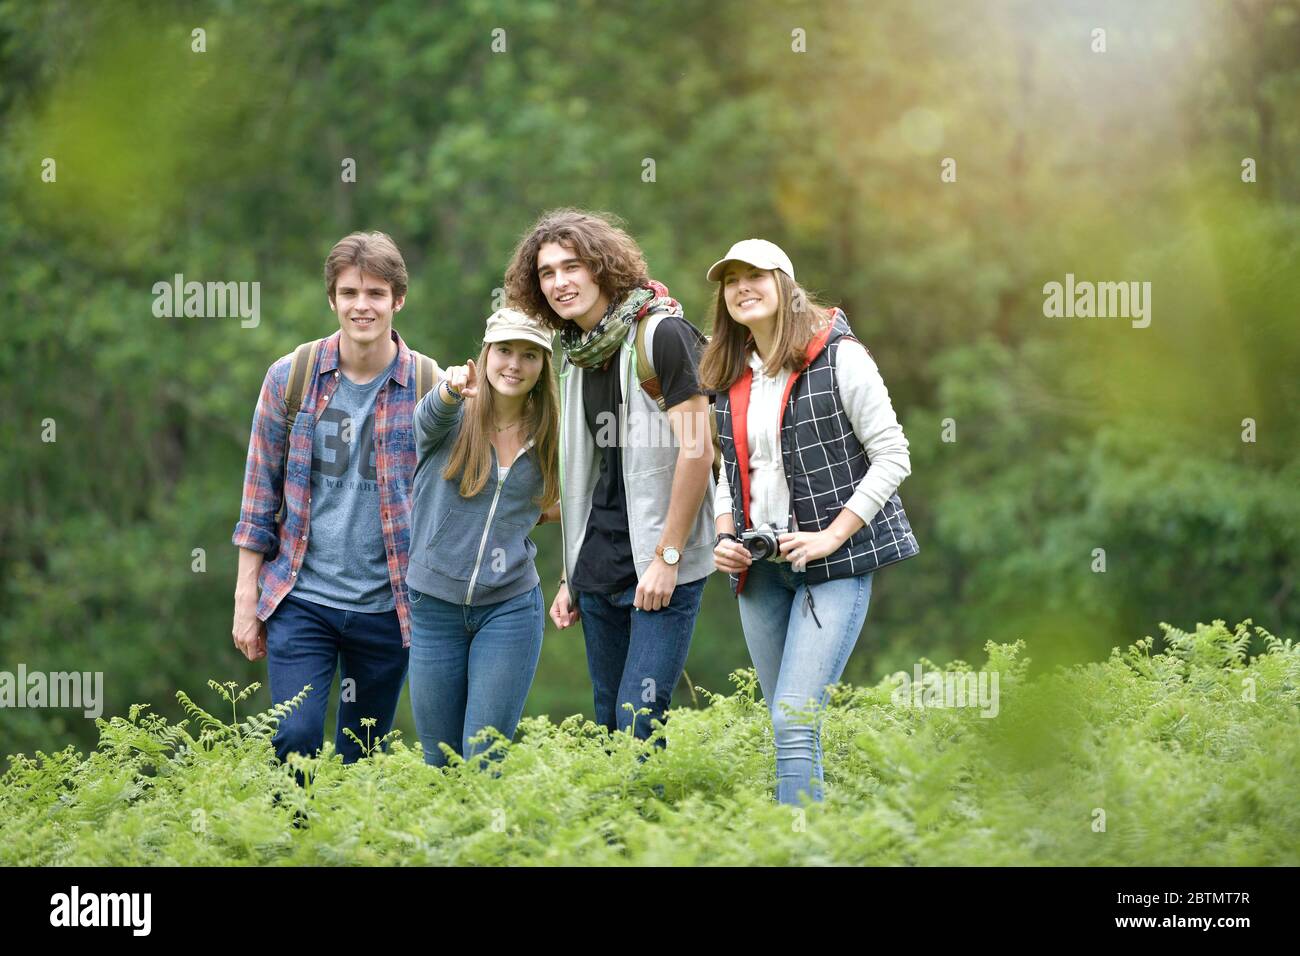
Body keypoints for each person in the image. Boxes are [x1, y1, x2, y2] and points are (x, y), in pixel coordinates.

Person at [699, 239, 920, 805]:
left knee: (794, 721)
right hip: (761, 573)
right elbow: (726, 469)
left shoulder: (842, 357)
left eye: (756, 276)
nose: (742, 288)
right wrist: (724, 533)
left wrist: (831, 536)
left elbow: (894, 454)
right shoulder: (727, 372)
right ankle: (810, 837)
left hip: (834, 566)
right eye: (731, 281)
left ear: (785, 285)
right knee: (787, 727)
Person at [503, 208, 715, 747]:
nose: (559, 282)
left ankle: (662, 832)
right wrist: (572, 572)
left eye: (571, 266)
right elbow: (590, 476)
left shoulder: (661, 335)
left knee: (640, 720)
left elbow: (698, 450)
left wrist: (668, 558)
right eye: (547, 272)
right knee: (610, 730)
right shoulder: (576, 356)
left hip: (661, 563)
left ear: (601, 267)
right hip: (599, 566)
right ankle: (620, 834)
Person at [231, 231, 437, 769]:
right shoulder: (291, 377)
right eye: (349, 293)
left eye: (374, 293)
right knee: (293, 738)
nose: (361, 306)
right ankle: (290, 845)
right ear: (332, 299)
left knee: (359, 759)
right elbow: (258, 498)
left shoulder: (428, 385)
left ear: (398, 299)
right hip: (302, 598)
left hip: (388, 606)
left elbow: (455, 494)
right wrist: (245, 601)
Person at [405, 308, 559, 768]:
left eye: (529, 355)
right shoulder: (452, 416)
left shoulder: (553, 432)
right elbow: (424, 420)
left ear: (543, 365)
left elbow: (577, 496)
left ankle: (487, 841)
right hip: (434, 607)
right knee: (440, 760)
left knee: (483, 759)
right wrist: (450, 390)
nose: (514, 364)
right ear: (487, 355)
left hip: (510, 607)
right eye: (505, 351)